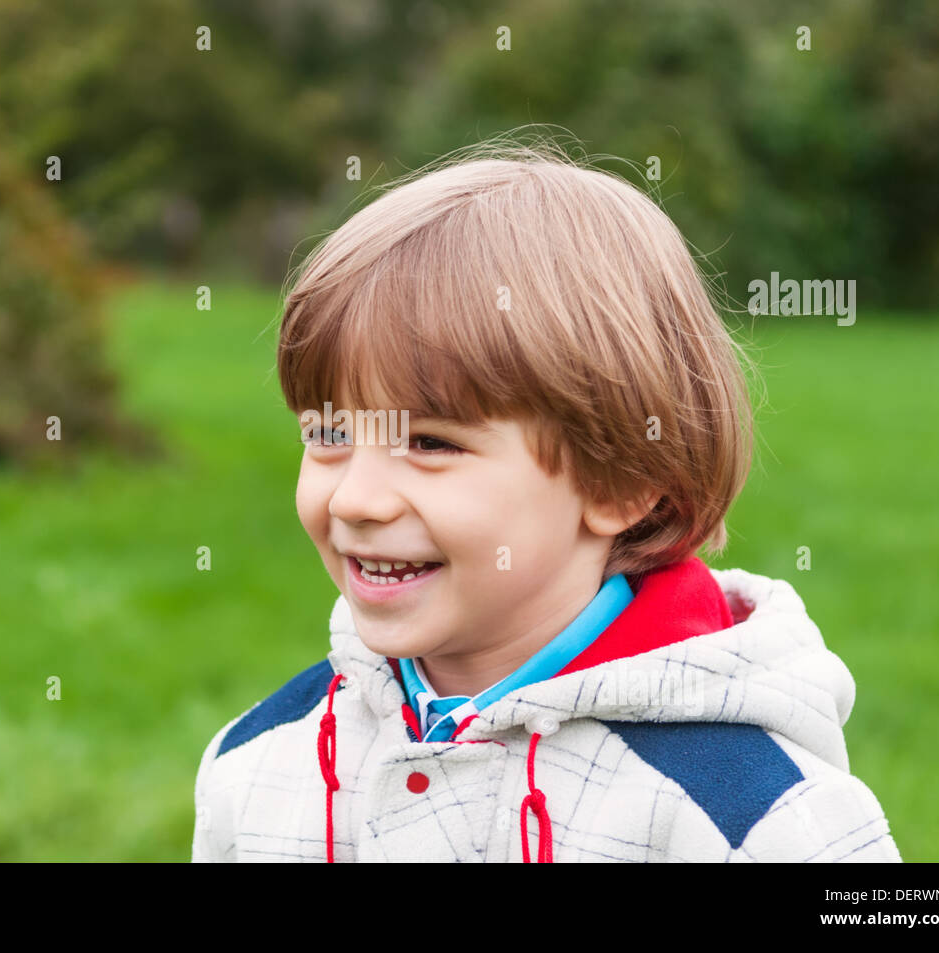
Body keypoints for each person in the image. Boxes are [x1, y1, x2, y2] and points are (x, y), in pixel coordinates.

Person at [191, 138, 901, 862]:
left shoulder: (752, 820)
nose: (357, 498)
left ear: (620, 481)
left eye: (432, 443)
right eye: (331, 432)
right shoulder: (259, 766)